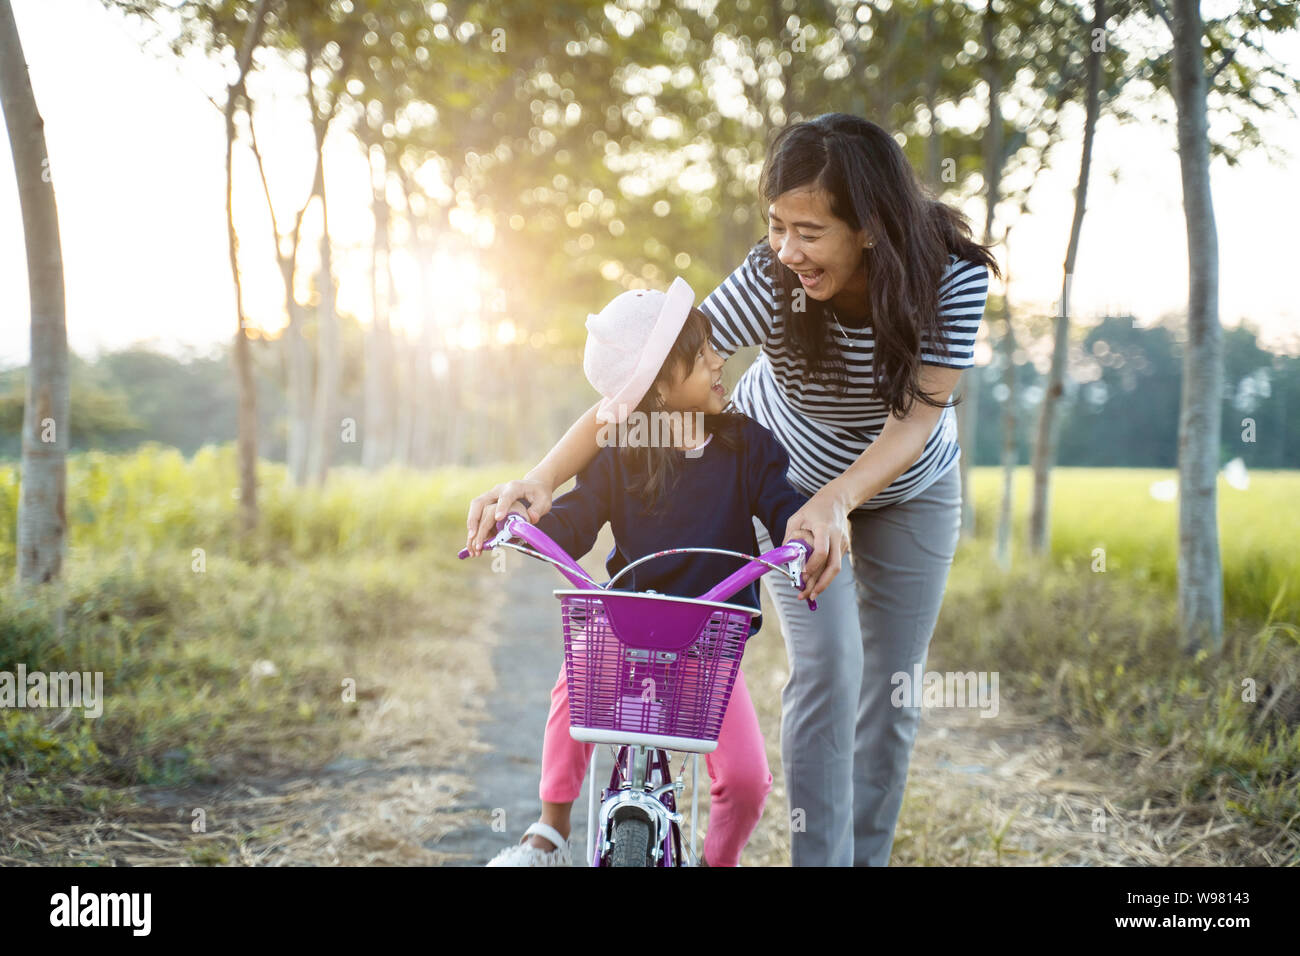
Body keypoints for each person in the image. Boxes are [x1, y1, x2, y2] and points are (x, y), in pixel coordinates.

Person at [467, 113, 1001, 865]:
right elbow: (646, 380)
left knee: (889, 693)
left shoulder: (950, 276)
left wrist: (839, 501)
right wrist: (538, 479)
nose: (788, 251)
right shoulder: (771, 280)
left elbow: (911, 427)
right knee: (830, 670)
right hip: (788, 487)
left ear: (872, 225)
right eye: (777, 226)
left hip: (909, 487)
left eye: (809, 231)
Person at [470, 276, 809, 866]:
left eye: (711, 347)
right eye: (699, 353)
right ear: (655, 391)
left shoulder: (747, 446)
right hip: (627, 626)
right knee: (572, 688)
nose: (718, 357)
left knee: (748, 781)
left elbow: (781, 506)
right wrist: (525, 523)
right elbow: (577, 517)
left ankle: (716, 860)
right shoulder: (620, 452)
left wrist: (800, 536)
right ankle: (549, 833)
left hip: (709, 643)